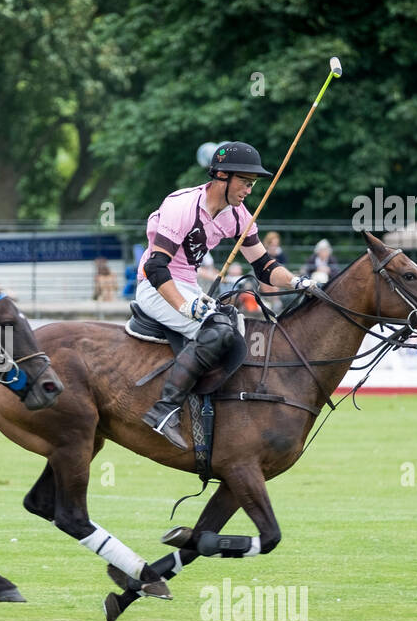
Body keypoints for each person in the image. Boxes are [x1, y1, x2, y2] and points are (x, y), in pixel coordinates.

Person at [135, 142, 315, 448]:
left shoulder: (238, 216)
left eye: (252, 184)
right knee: (218, 330)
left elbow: (264, 266)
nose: (248, 190)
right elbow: (155, 267)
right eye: (245, 182)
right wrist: (184, 304)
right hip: (155, 288)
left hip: (188, 285)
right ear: (222, 175)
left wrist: (298, 282)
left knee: (237, 324)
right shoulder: (182, 206)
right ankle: (164, 410)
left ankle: (218, 408)